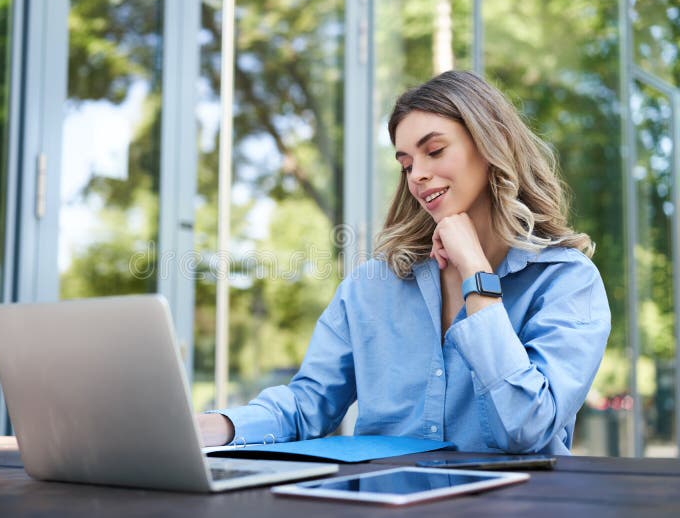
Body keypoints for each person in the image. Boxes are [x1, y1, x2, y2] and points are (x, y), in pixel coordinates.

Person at [196, 70, 611, 455]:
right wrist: (211, 428)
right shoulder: (373, 285)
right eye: (407, 164)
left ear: (491, 145)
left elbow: (529, 426)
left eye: (434, 151)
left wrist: (476, 275)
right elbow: (308, 403)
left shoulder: (566, 281)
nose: (417, 176)